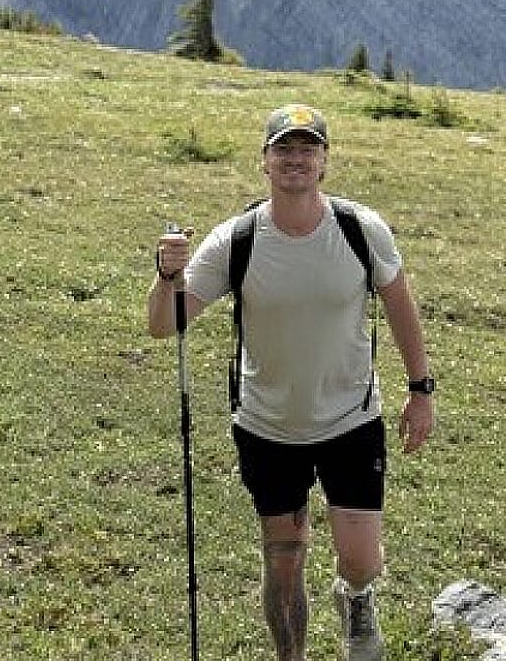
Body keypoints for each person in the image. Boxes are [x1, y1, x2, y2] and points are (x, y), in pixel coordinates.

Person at [148, 104, 435, 661]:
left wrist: (420, 390)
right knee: (283, 557)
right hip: (267, 425)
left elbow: (400, 303)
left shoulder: (360, 230)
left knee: (362, 560)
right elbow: (165, 325)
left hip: (350, 419)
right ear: (265, 162)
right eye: (284, 148)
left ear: (325, 161)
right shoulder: (235, 241)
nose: (295, 158)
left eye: (307, 148)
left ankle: (355, 597)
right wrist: (166, 276)